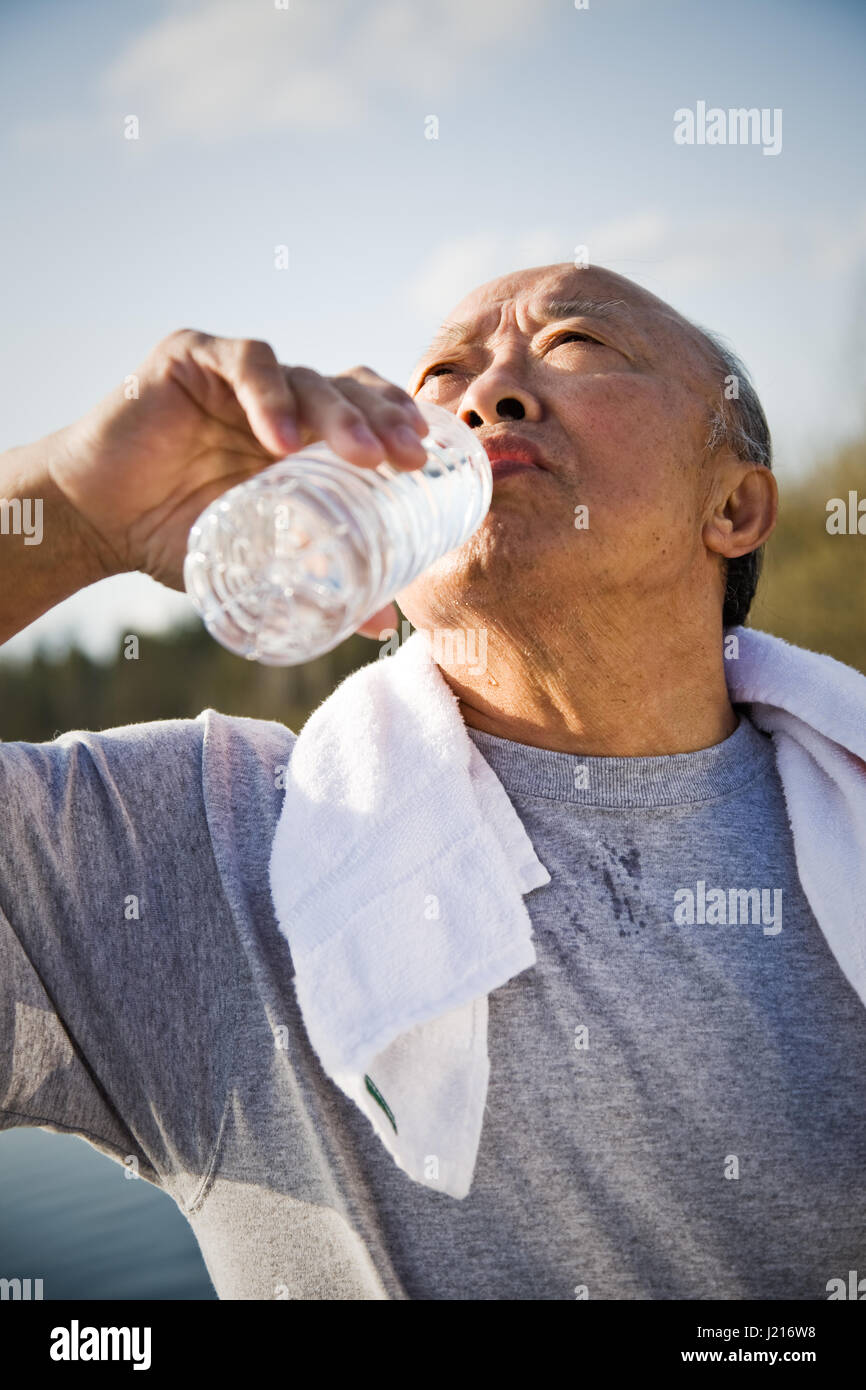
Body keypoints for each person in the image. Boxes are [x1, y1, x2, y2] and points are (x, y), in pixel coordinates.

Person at [1, 262, 864, 1300]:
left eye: (574, 345)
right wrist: (70, 510)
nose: (483, 392)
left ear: (732, 504)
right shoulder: (199, 842)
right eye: (442, 372)